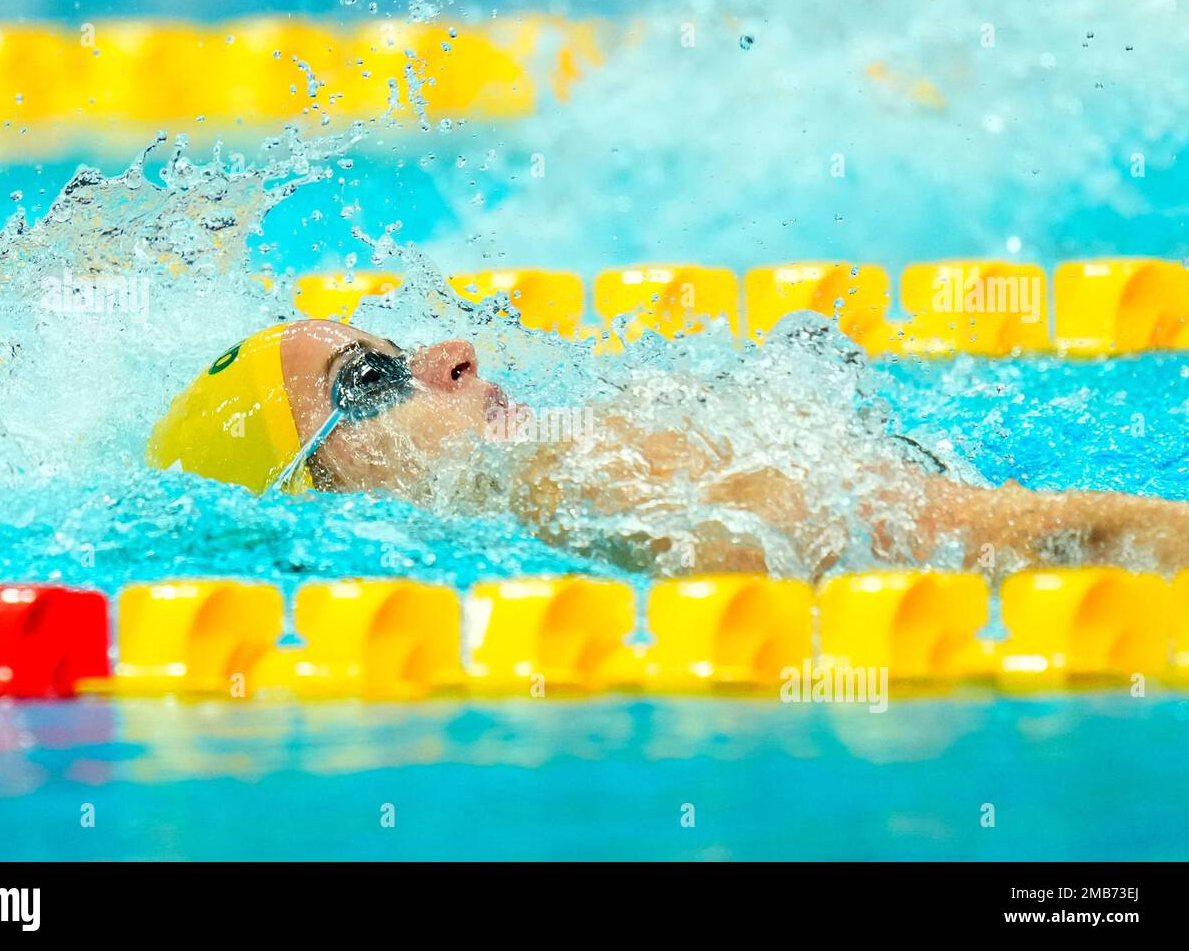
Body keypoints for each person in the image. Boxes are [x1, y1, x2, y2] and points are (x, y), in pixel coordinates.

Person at [148, 318, 1189, 578]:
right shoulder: (621, 496)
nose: (453, 353)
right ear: (317, 490)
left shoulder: (602, 478)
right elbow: (1062, 534)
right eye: (371, 380)